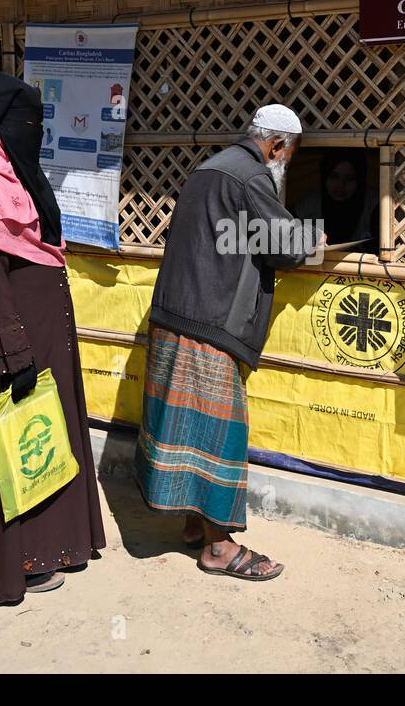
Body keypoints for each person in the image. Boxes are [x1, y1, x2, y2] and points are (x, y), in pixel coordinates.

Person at [135, 104, 323, 581]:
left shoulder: (208, 169)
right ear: (277, 145)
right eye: (289, 153)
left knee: (184, 428)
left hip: (175, 314)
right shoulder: (250, 177)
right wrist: (316, 235)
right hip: (209, 323)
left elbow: (232, 238)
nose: (286, 162)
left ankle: (195, 525)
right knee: (220, 434)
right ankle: (219, 547)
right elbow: (288, 248)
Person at [0, 71, 105, 604]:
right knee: (17, 446)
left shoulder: (15, 175)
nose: (33, 132)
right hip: (12, 343)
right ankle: (17, 562)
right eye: (26, 123)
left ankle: (57, 545)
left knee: (48, 438)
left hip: (44, 336)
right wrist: (14, 352)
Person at [292, 149, 379, 251]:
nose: (340, 185)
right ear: (325, 176)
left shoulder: (373, 204)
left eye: (350, 179)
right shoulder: (312, 202)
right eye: (334, 177)